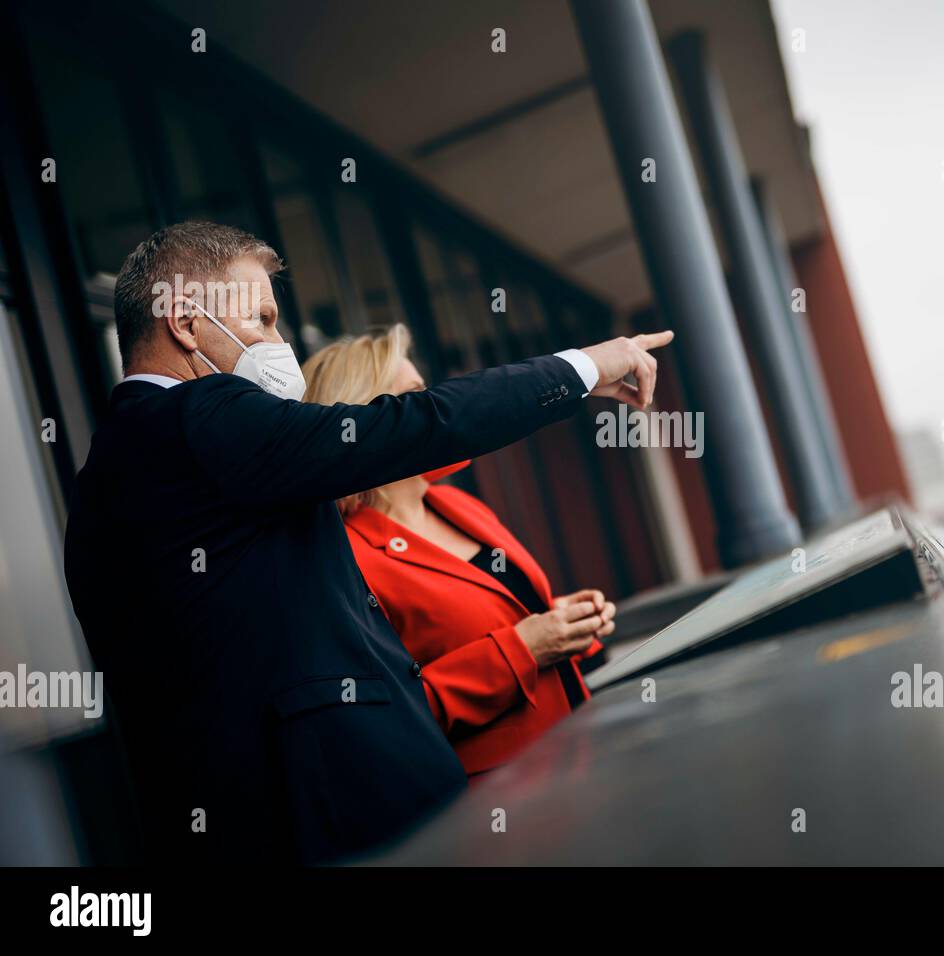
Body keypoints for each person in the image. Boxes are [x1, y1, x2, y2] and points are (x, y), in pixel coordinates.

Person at [62, 221, 672, 863]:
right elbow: (415, 428)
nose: (278, 342)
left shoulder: (107, 479)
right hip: (338, 827)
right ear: (185, 324)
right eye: (263, 319)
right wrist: (584, 368)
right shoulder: (199, 417)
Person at [302, 326, 613, 775]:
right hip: (498, 803)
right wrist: (523, 648)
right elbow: (387, 717)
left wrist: (563, 623)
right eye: (414, 397)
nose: (437, 408)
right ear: (369, 423)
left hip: (578, 755)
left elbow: (488, 618)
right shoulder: (345, 560)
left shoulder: (454, 504)